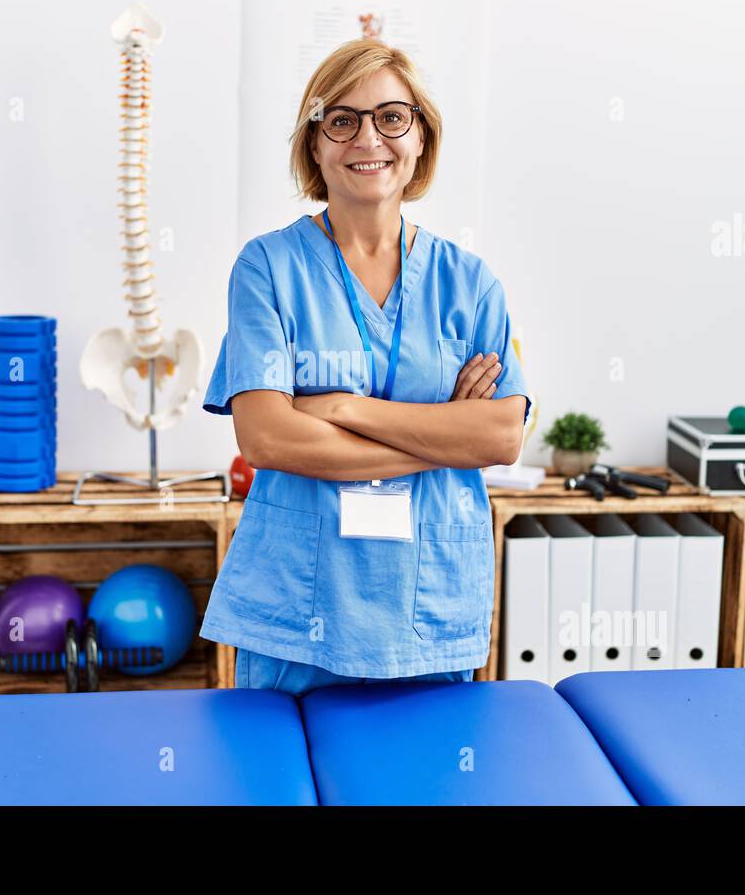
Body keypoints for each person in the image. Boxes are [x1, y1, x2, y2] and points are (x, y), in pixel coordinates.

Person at [200, 37, 531, 697]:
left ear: (419, 139)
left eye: (391, 117)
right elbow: (267, 438)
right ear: (316, 144)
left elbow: (500, 438)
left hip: (427, 607)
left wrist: (343, 410)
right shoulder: (267, 268)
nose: (367, 138)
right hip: (298, 611)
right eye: (341, 119)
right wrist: (443, 436)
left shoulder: (469, 283)